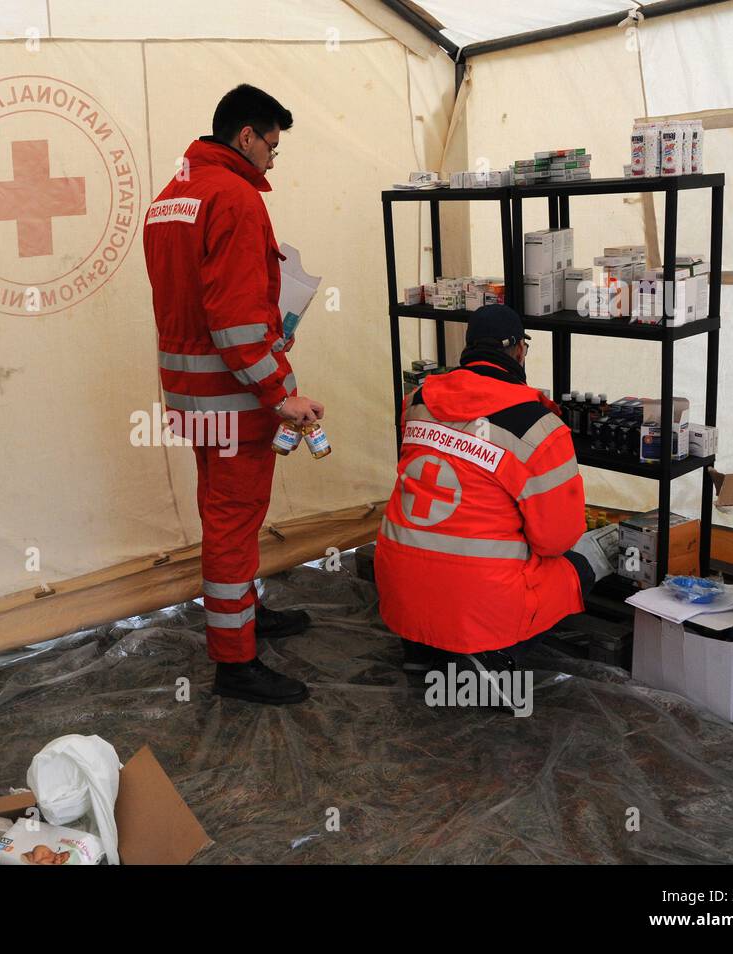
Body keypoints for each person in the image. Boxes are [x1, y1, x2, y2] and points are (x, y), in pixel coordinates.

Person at [143, 84, 325, 706]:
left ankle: (243, 614)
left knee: (227, 519)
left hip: (195, 399)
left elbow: (195, 307)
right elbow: (237, 322)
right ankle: (235, 662)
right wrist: (282, 395)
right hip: (236, 400)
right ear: (245, 136)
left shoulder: (171, 196)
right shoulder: (236, 198)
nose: (274, 159)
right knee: (231, 524)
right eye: (271, 145)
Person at [374, 304, 616, 689]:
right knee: (583, 560)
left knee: (444, 568)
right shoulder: (537, 425)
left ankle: (422, 650)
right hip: (480, 600)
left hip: (400, 585)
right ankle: (488, 659)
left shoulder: (417, 400)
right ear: (519, 351)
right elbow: (556, 539)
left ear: (468, 348)